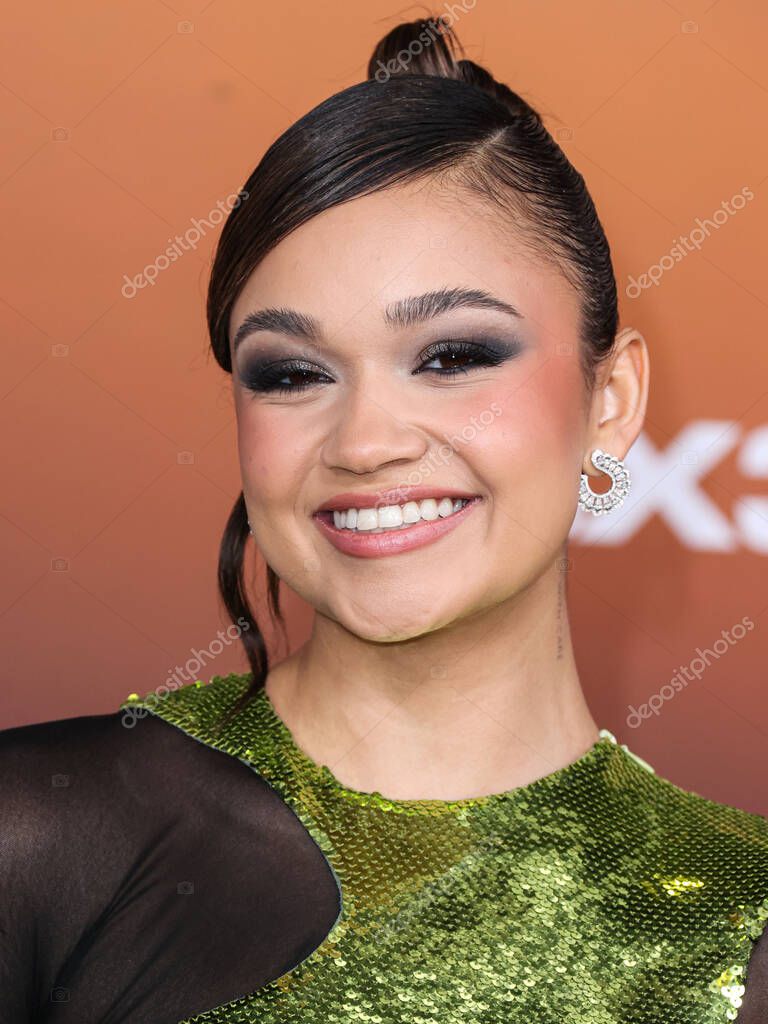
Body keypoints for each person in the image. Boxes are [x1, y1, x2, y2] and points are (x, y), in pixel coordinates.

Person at [1, 15, 766, 1024]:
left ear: (611, 400)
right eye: (292, 373)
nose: (364, 442)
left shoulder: (741, 919)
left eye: (453, 356)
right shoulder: (36, 836)